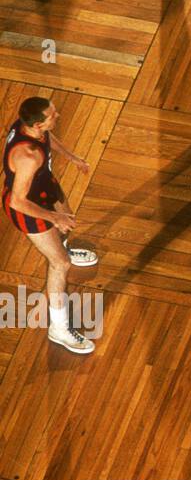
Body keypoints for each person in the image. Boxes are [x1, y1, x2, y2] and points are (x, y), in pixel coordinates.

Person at [3, 98, 98, 353]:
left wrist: (72, 157)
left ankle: (63, 246)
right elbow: (17, 201)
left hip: (45, 187)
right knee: (61, 264)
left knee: (68, 218)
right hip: (29, 210)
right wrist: (53, 218)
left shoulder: (31, 128)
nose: (57, 115)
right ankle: (59, 329)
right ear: (37, 123)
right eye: (52, 115)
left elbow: (48, 138)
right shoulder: (28, 156)